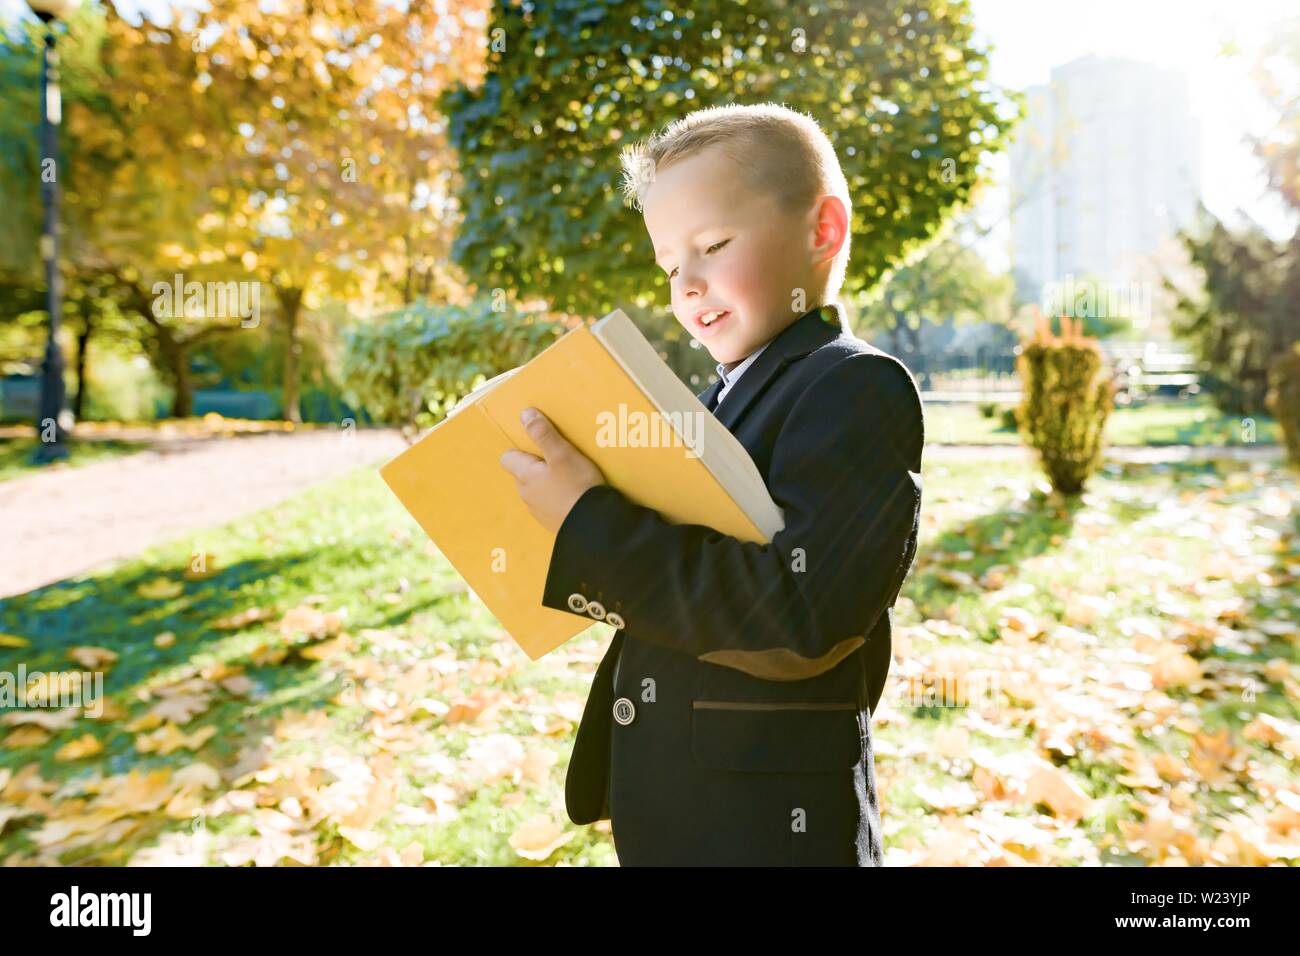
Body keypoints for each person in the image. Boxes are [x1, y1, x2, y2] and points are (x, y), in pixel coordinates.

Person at [499, 103, 925, 866]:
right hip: (677, 808)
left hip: (770, 829)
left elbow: (806, 615)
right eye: (668, 266)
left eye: (713, 246)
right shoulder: (712, 401)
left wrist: (591, 524)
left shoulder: (856, 388)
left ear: (821, 231)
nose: (686, 285)